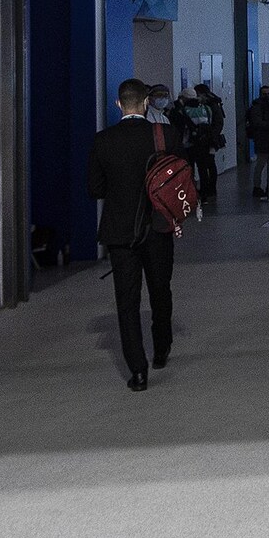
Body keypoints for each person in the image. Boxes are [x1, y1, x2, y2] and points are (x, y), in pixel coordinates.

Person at [88, 78, 182, 391]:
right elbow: (181, 179)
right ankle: (162, 349)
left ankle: (138, 371)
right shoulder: (165, 135)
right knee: (160, 290)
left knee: (127, 302)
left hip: (120, 233)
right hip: (157, 227)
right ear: (145, 104)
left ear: (119, 104)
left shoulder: (103, 140)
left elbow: (95, 189)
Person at [179, 87, 218, 202]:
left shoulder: (184, 110)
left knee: (190, 169)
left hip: (189, 144)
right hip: (204, 143)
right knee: (203, 169)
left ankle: (191, 192)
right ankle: (205, 193)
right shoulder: (206, 108)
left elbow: (182, 127)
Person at [247, 85, 269, 199]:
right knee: (261, 165)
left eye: (268, 93)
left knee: (263, 166)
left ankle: (267, 187)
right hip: (263, 139)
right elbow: (257, 123)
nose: (267, 96)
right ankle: (258, 187)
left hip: (265, 139)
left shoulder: (257, 106)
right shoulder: (257, 107)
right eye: (265, 94)